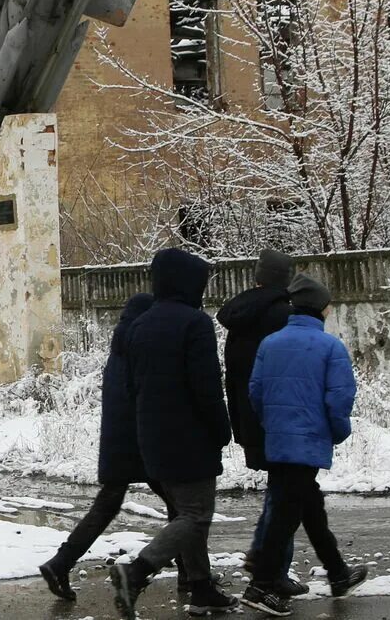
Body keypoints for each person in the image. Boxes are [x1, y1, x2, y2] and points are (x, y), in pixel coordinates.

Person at [108, 247, 238, 617]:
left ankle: (200, 587)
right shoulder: (194, 323)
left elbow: (131, 386)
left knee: (184, 514)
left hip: (151, 437)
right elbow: (207, 386)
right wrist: (220, 428)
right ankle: (135, 572)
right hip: (190, 437)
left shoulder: (140, 324)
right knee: (195, 515)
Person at [240, 275, 370, 616]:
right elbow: (340, 399)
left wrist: (274, 425)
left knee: (309, 506)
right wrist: (336, 432)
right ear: (321, 308)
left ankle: (338, 574)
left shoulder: (270, 343)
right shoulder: (330, 347)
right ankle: (261, 586)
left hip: (279, 438)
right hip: (309, 439)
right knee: (285, 514)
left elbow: (255, 391)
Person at [39, 293, 183, 600]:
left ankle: (60, 563)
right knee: (183, 509)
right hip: (140, 442)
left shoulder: (119, 349)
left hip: (118, 442)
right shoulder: (141, 348)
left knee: (111, 506)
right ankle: (193, 577)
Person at [215, 248, 308, 596]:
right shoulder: (284, 317)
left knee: (282, 492)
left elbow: (234, 375)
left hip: (250, 418)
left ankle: (266, 563)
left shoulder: (240, 316)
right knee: (287, 495)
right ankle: (270, 573)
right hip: (280, 418)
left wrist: (240, 422)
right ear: (286, 280)